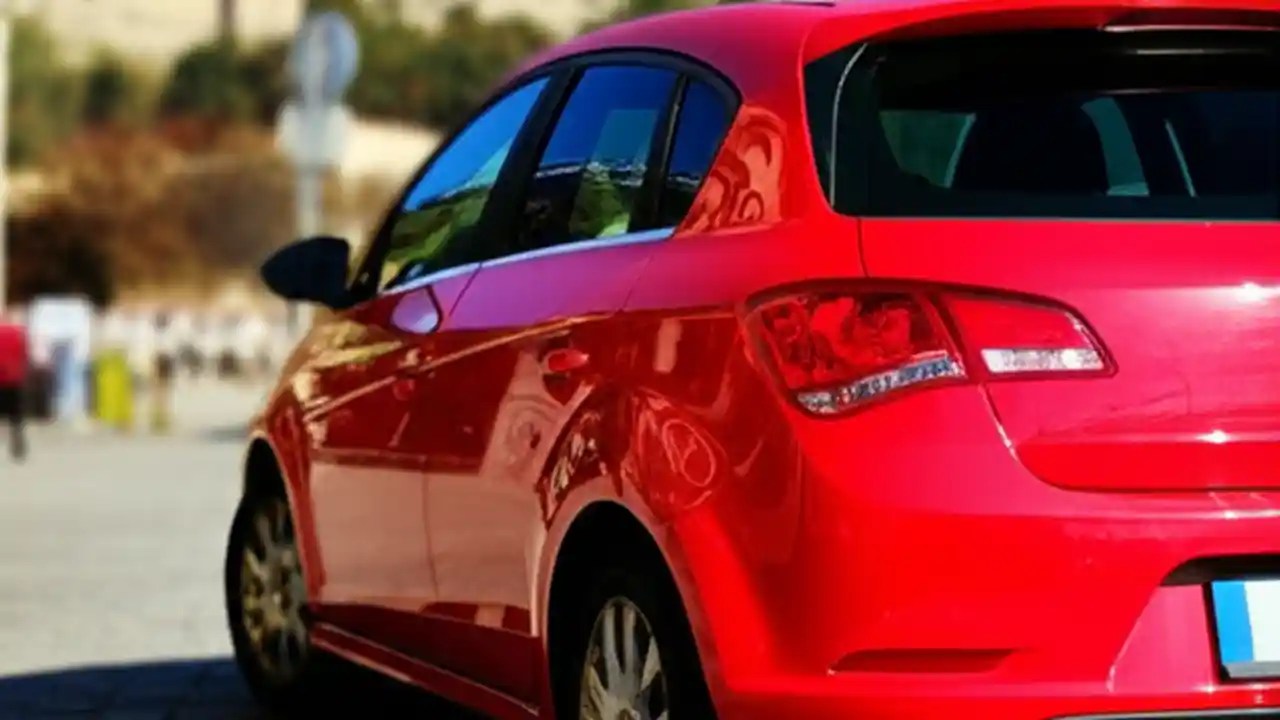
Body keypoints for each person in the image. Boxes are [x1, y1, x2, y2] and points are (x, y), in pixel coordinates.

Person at [0, 321, 28, 462]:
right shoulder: (17, 332)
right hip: (13, 378)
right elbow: (24, 354)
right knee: (15, 417)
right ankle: (18, 448)